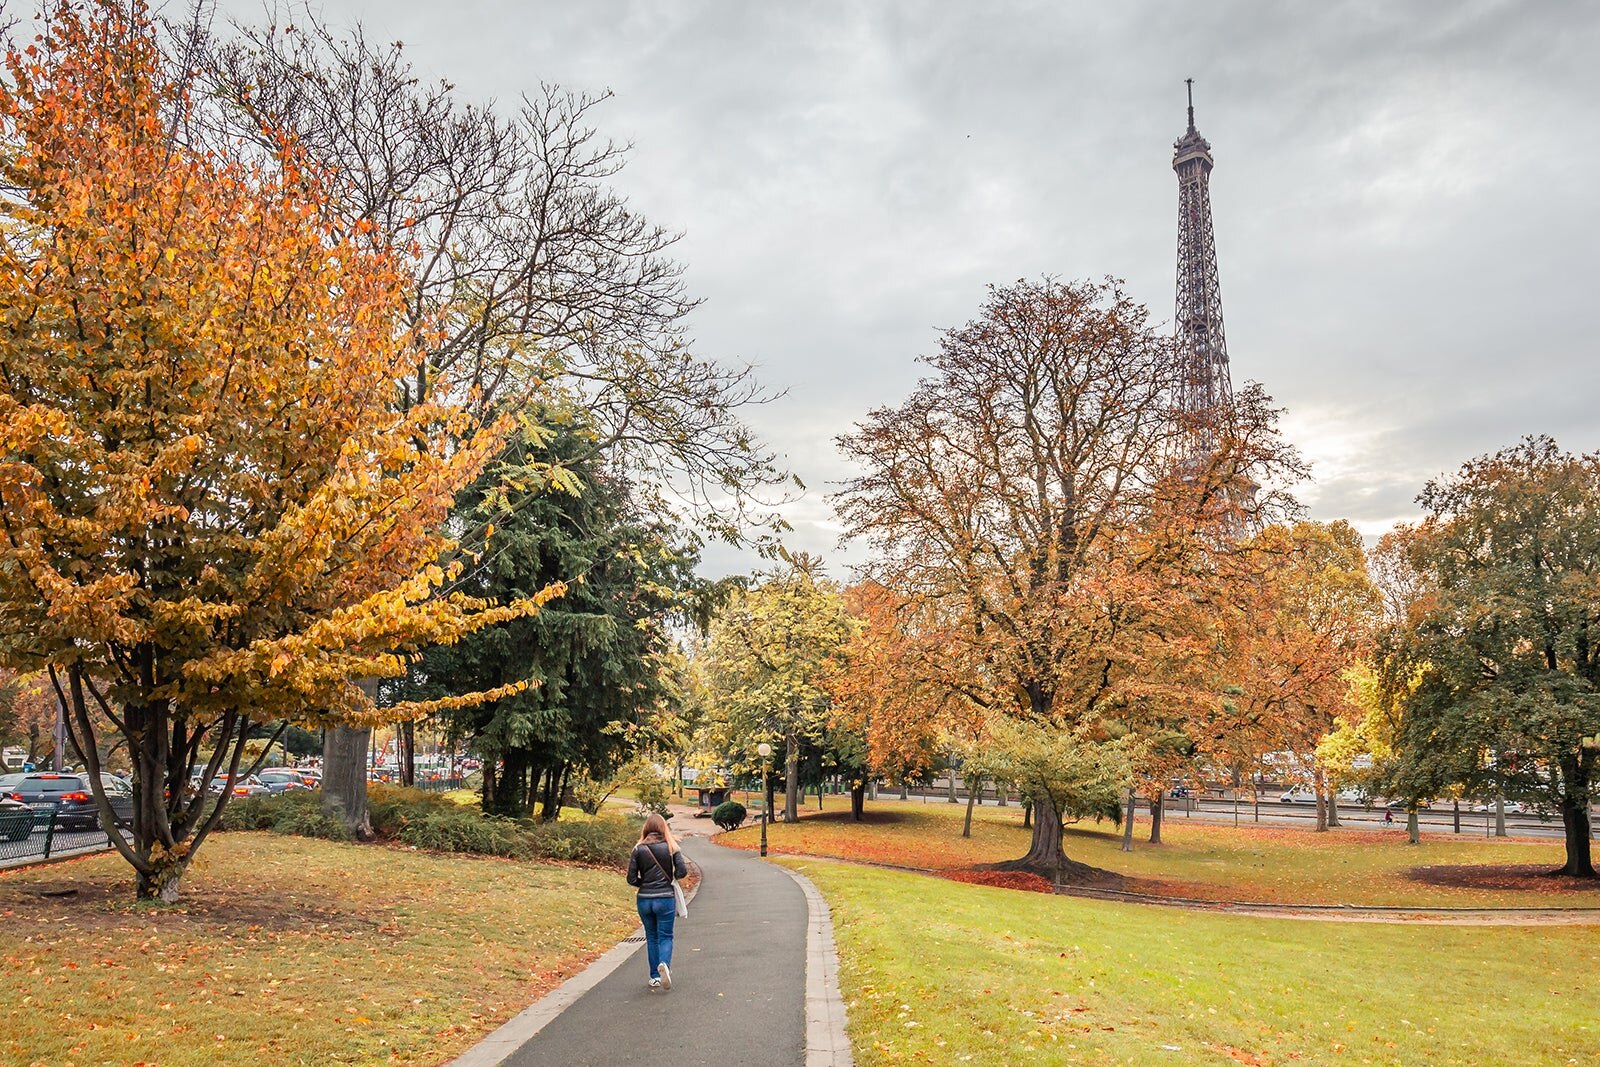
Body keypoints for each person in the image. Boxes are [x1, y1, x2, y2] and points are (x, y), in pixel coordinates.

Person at [626, 812, 687, 991]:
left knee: (651, 936)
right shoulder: (671, 847)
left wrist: (643, 884)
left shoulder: (638, 849)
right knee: (666, 936)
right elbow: (682, 871)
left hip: (644, 899)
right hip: (665, 898)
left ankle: (654, 976)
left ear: (646, 828)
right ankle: (664, 965)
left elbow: (631, 878)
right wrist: (672, 878)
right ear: (663, 828)